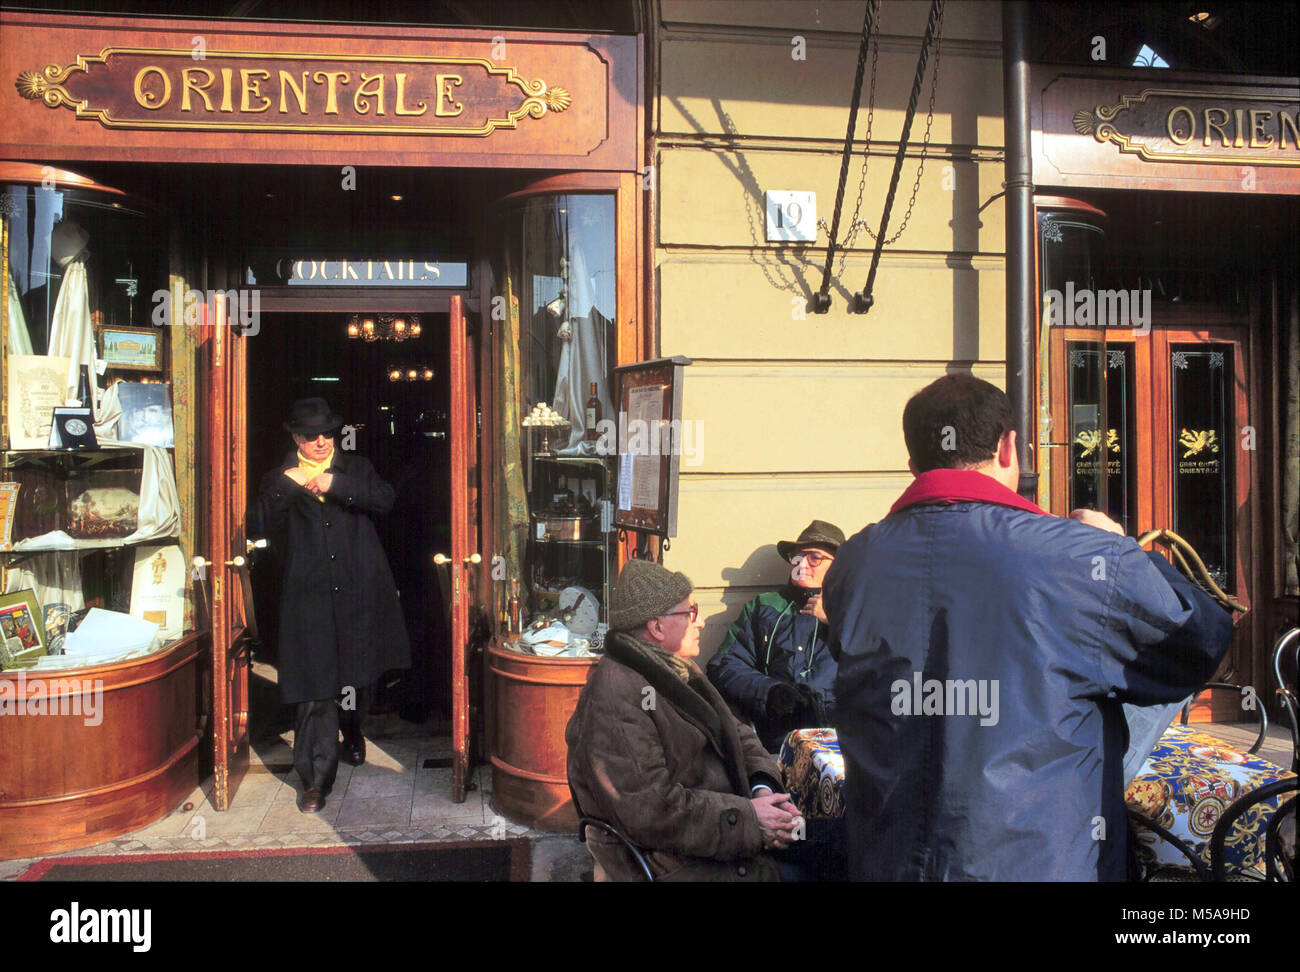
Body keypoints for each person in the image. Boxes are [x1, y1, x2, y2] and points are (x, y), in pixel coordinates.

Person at [824, 374, 1233, 881]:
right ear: (1007, 447)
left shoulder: (852, 563)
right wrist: (1125, 550)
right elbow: (1198, 642)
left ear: (913, 465)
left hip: (888, 861)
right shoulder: (1080, 557)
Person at [565, 559, 800, 880]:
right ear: (657, 626)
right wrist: (749, 819)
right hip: (675, 862)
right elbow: (649, 810)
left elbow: (738, 733)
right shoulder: (615, 694)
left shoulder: (674, 667)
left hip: (717, 835)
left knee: (835, 840)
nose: (701, 622)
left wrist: (762, 789)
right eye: (689, 613)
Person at [249, 398, 411, 813]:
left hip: (360, 593)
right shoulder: (277, 478)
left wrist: (334, 486)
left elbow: (385, 500)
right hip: (308, 601)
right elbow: (258, 525)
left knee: (358, 678)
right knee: (314, 690)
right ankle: (315, 780)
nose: (321, 442)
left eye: (327, 434)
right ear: (295, 437)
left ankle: (353, 731)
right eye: (310, 435)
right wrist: (290, 484)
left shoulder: (356, 468)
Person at [707, 519, 844, 752]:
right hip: (776, 744)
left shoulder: (857, 610)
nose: (803, 564)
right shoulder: (765, 606)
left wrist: (836, 621)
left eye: (815, 558)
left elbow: (879, 664)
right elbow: (725, 665)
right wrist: (770, 692)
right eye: (797, 557)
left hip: (841, 745)